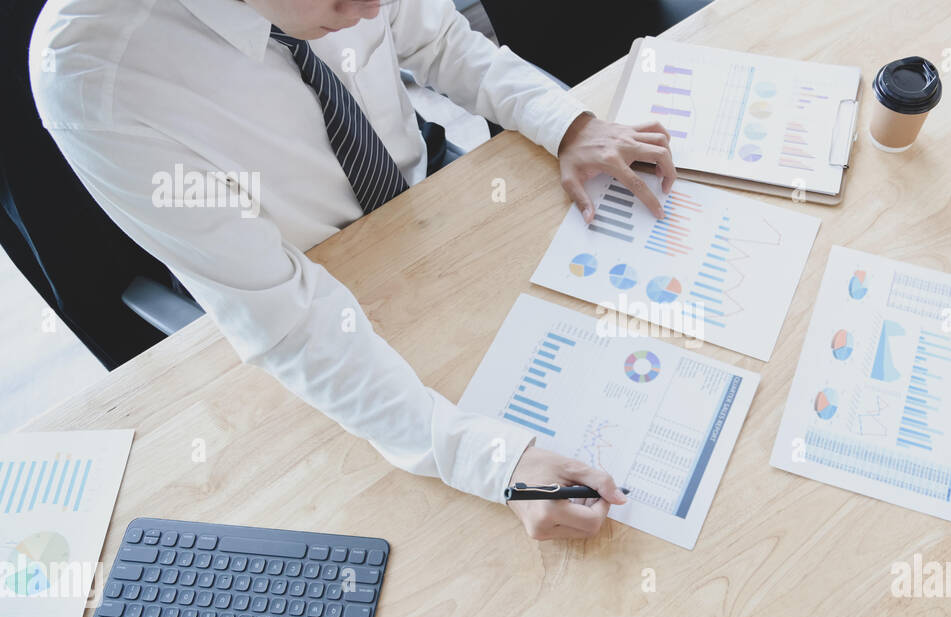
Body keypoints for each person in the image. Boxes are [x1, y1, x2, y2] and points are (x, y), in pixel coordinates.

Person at [29, 0, 678, 540]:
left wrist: (563, 121)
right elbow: (287, 321)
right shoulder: (97, 72)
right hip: (310, 286)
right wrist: (490, 462)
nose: (372, 10)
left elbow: (440, 38)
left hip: (429, 207)